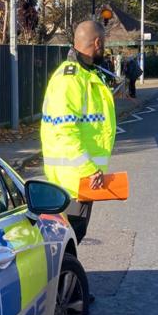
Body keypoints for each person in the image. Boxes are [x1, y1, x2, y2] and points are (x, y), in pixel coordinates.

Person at [39, 20, 118, 242]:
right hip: (75, 180)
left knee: (70, 239)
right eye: (104, 43)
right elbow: (65, 131)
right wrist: (89, 168)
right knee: (70, 239)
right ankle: (67, 277)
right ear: (97, 42)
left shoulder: (84, 75)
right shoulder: (71, 80)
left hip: (79, 178)